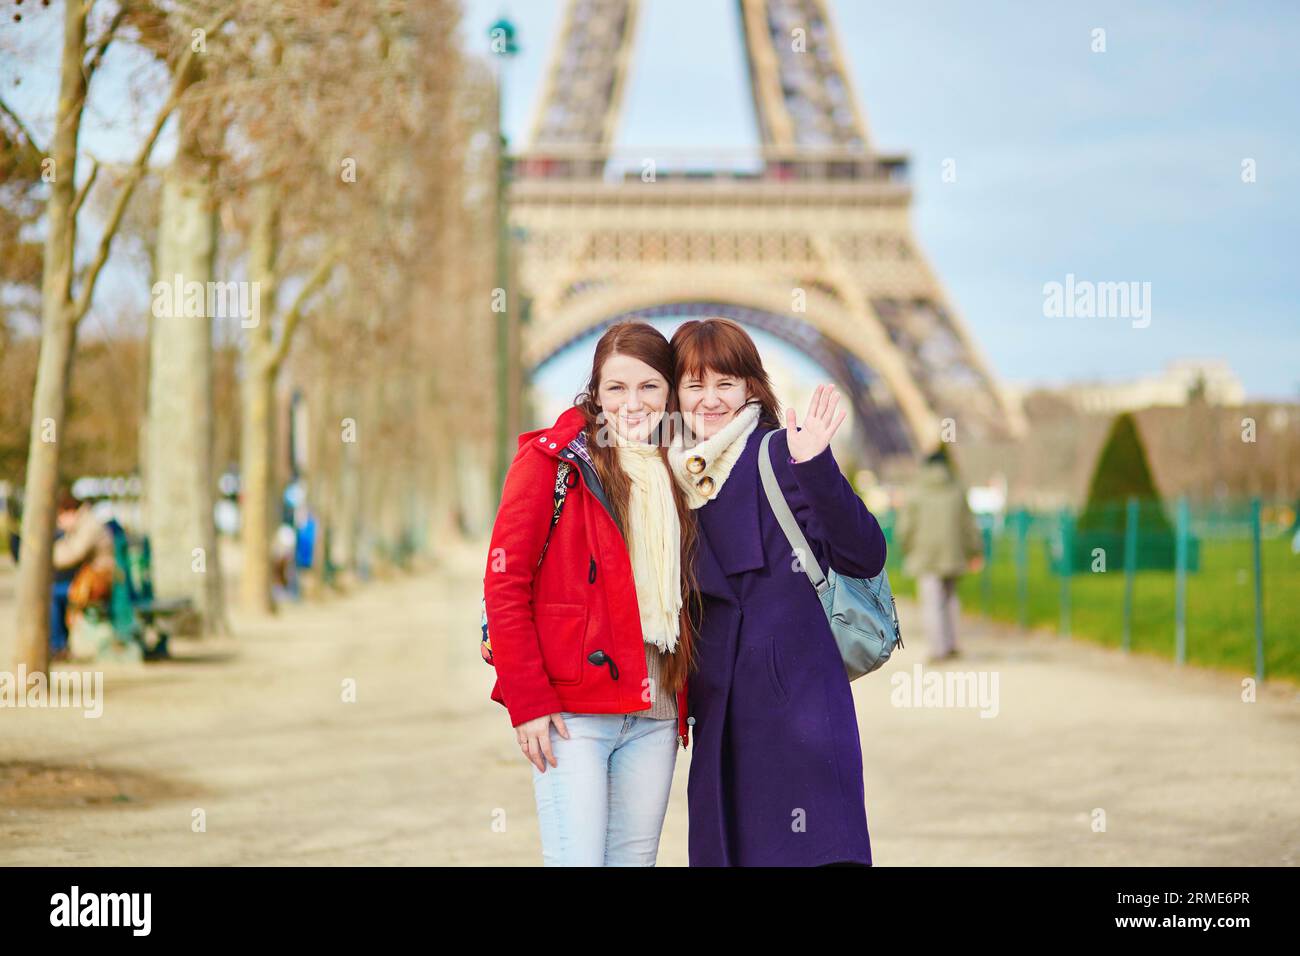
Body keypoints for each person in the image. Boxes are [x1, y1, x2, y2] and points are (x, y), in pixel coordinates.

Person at [666, 317, 887, 867]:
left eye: (725, 383)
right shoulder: (665, 480)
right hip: (718, 713)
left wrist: (817, 467)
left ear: (750, 388)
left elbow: (864, 554)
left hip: (800, 710)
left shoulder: (782, 453)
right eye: (695, 386)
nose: (710, 399)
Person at [483, 321, 697, 866]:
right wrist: (527, 702)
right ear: (595, 392)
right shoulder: (550, 463)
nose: (633, 403)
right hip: (570, 710)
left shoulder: (684, 475)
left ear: (670, 392)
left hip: (656, 706)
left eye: (649, 387)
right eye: (616, 388)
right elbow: (505, 585)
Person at [894, 447, 984, 663]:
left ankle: (937, 649)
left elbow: (905, 527)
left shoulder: (916, 490)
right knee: (951, 599)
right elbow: (968, 525)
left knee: (931, 602)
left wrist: (907, 547)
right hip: (952, 552)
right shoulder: (956, 489)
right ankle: (952, 644)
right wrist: (975, 550)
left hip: (925, 554)